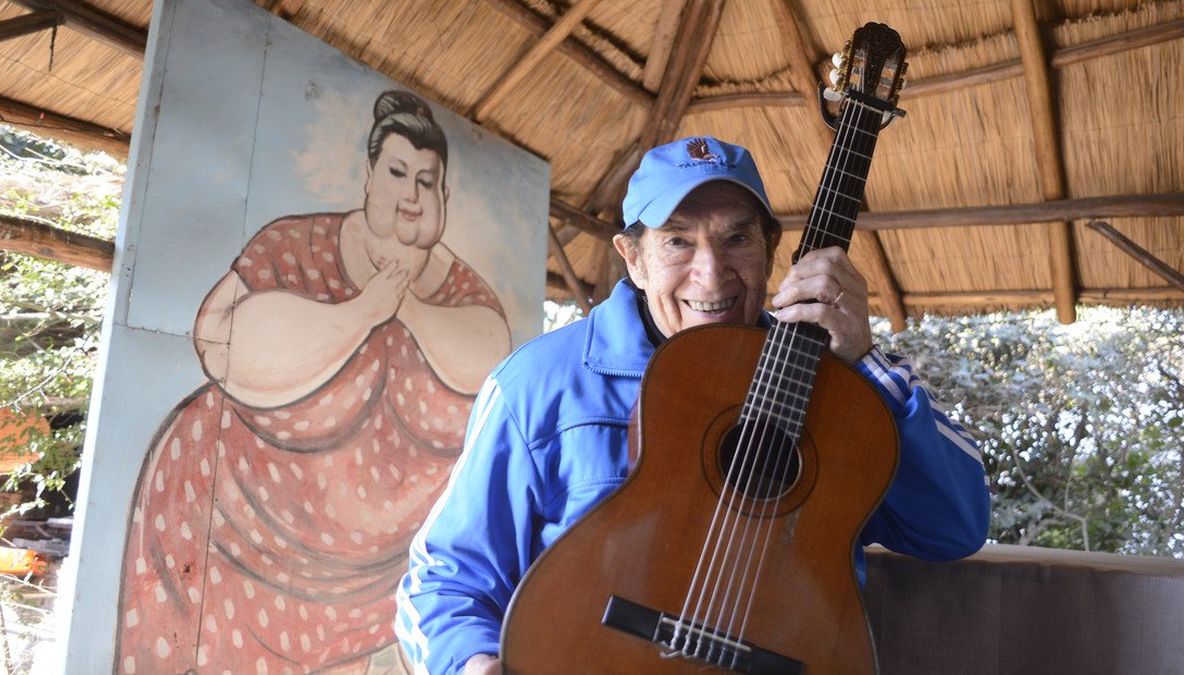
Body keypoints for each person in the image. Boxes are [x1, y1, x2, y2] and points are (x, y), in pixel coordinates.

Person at [394, 137, 990, 675]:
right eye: (678, 240)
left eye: (737, 239)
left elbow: (955, 527)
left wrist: (865, 362)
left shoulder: (839, 387)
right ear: (633, 257)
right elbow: (443, 579)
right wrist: (472, 665)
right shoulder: (537, 384)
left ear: (769, 249)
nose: (712, 276)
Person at [118, 90, 511, 674]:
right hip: (246, 524)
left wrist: (408, 309)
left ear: (444, 195)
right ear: (369, 178)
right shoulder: (294, 245)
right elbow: (215, 335)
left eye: (427, 182)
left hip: (386, 560)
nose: (411, 195)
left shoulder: (467, 293)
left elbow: (491, 360)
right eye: (398, 173)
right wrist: (361, 311)